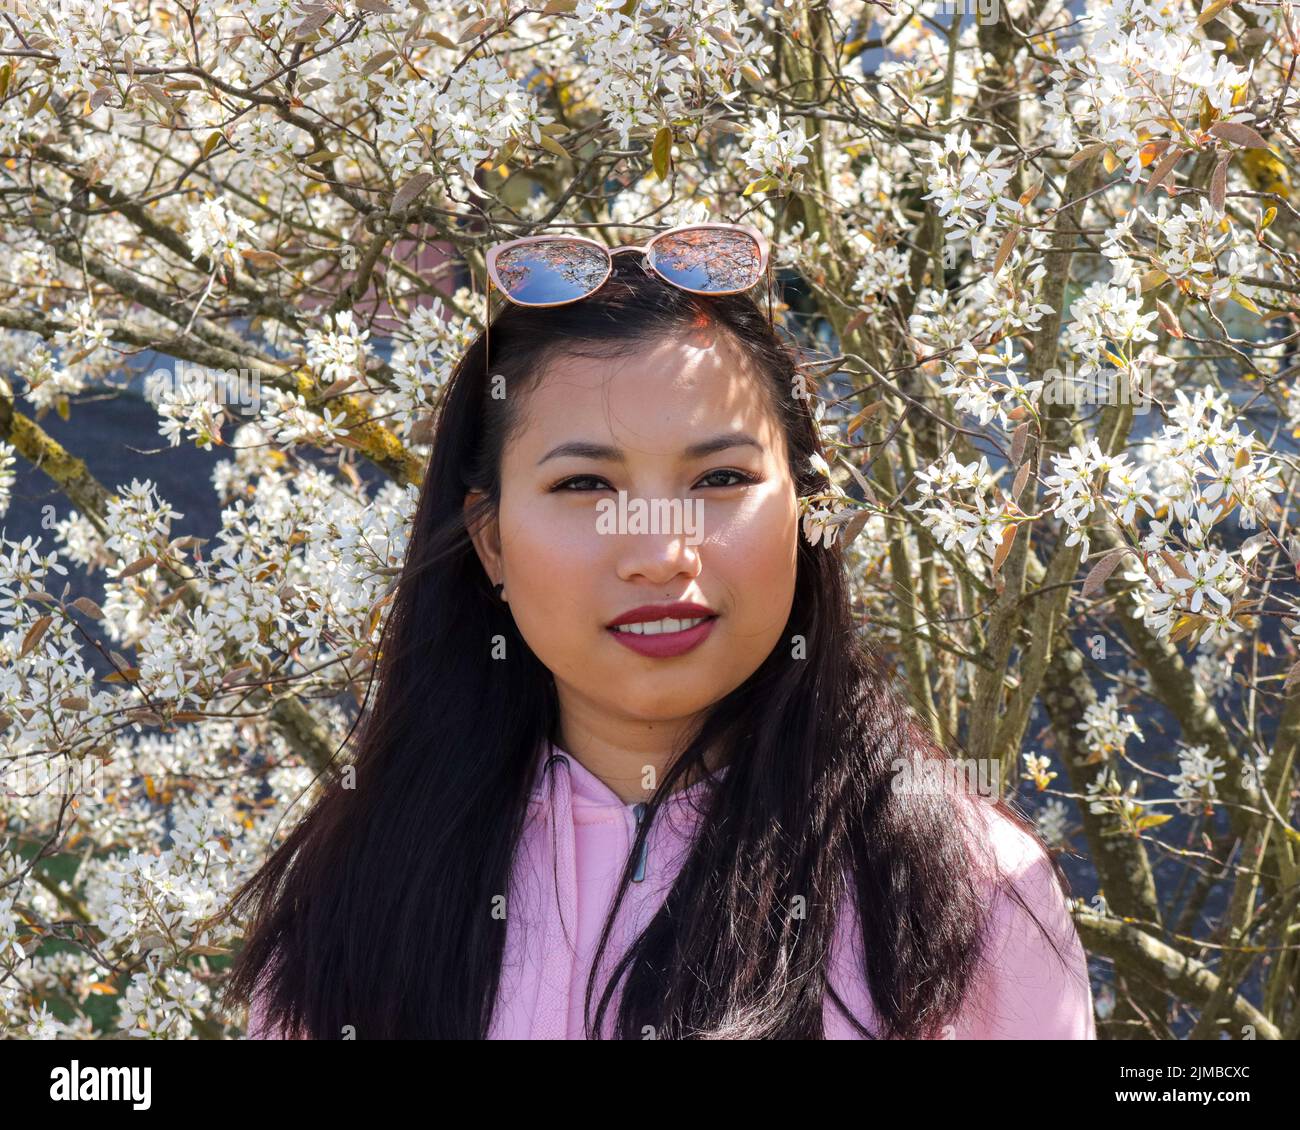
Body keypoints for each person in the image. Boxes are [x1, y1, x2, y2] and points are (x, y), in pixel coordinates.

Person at [220, 228, 1095, 1039]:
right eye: (585, 488)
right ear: (490, 540)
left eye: (719, 477)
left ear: (807, 512)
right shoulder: (364, 895)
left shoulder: (968, 891)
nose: (660, 553)